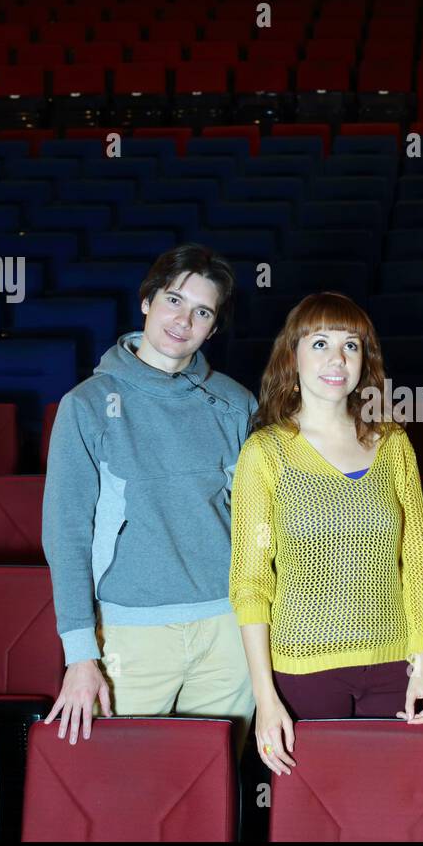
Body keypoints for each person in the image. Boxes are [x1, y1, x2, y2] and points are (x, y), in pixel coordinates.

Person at [42, 243, 257, 752]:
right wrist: (79, 655)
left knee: (213, 788)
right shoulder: (87, 405)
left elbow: (261, 522)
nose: (184, 321)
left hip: (229, 630)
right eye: (175, 301)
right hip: (128, 634)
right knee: (124, 789)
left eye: (202, 312)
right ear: (147, 301)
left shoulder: (234, 403)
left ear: (213, 327)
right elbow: (65, 535)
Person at [229, 292, 423, 777]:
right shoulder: (265, 453)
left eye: (351, 346)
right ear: (292, 355)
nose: (336, 359)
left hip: (395, 671)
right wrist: (265, 698)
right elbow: (250, 582)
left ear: (365, 361)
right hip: (302, 673)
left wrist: (421, 667)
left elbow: (419, 566)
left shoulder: (394, 445)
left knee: (387, 808)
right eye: (319, 343)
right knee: (313, 814)